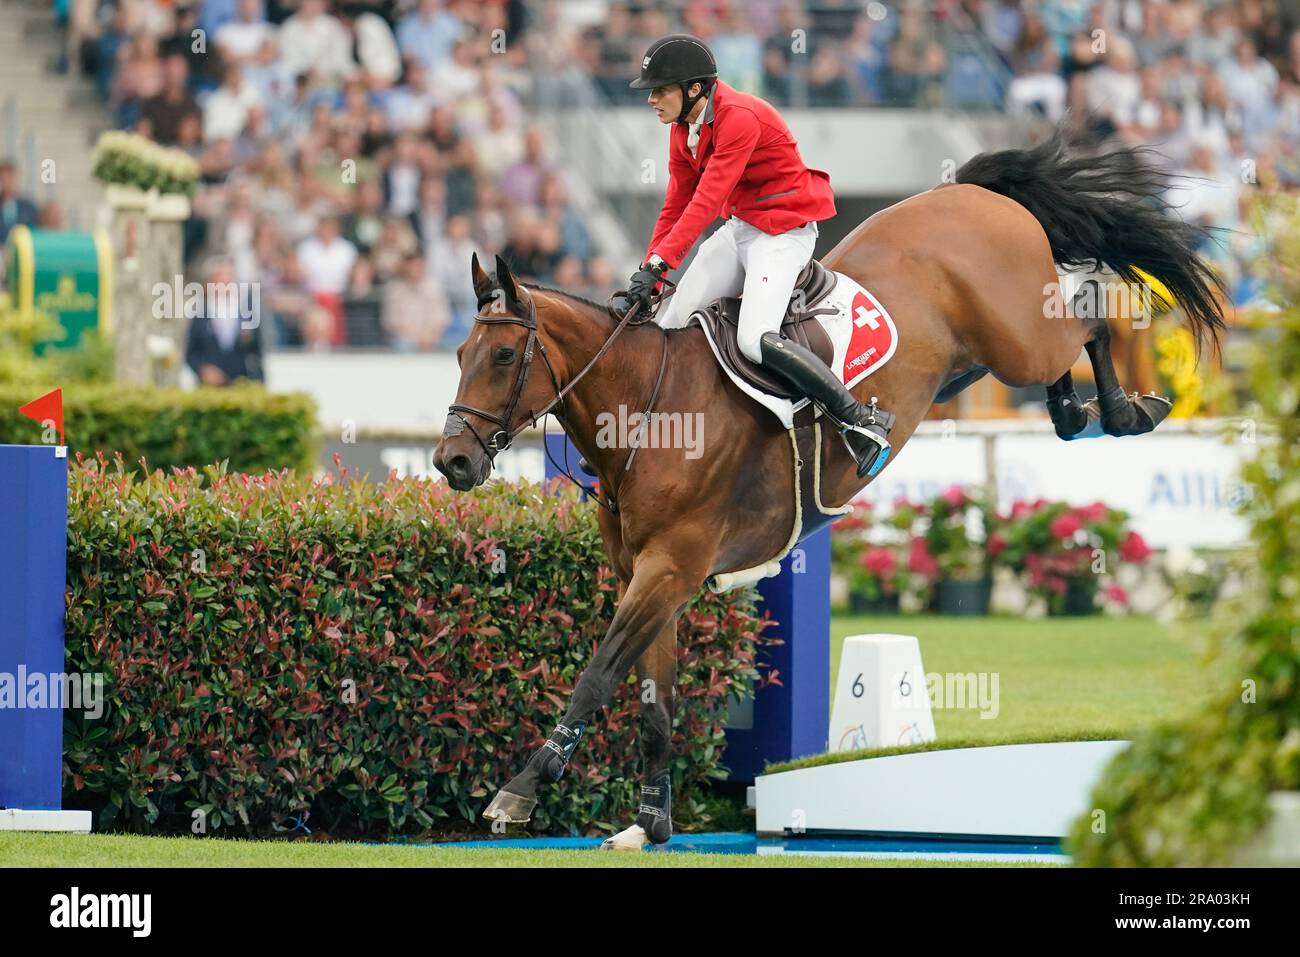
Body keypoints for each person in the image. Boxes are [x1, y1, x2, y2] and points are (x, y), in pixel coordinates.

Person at [623, 34, 885, 477]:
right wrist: (649, 269)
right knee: (669, 324)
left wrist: (659, 265)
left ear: (694, 89)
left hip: (784, 232)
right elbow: (676, 203)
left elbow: (705, 203)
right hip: (744, 226)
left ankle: (858, 419)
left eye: (659, 89)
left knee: (754, 337)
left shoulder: (739, 117)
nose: (651, 99)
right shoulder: (681, 127)